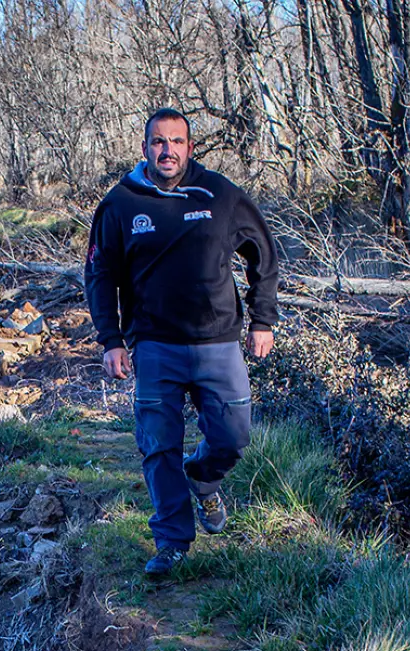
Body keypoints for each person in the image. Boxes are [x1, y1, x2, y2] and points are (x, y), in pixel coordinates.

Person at [84, 107, 278, 579]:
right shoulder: (121, 203)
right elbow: (98, 274)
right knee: (158, 445)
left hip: (218, 343)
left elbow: (264, 253)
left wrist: (262, 320)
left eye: (176, 141)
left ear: (190, 147)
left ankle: (204, 477)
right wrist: (111, 340)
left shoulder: (220, 194)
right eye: (158, 142)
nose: (167, 150)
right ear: (145, 147)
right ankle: (172, 540)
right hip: (153, 345)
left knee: (234, 437)